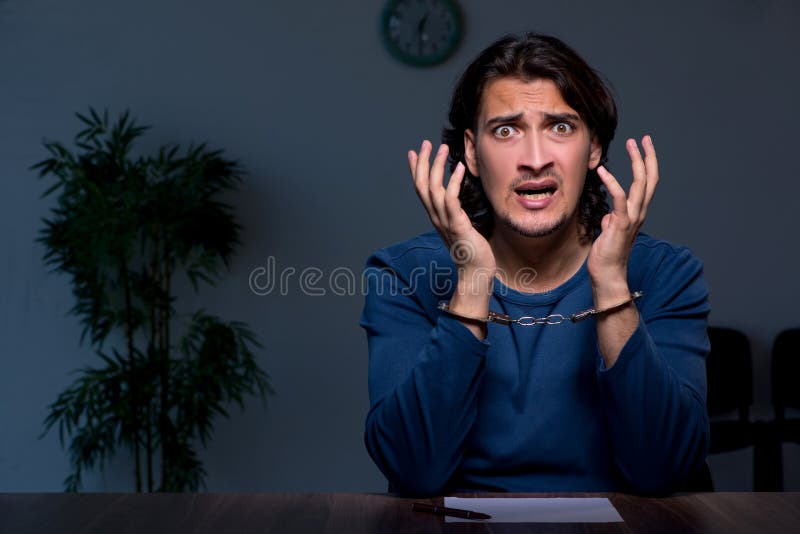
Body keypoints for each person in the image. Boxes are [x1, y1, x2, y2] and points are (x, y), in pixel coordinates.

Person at [360, 33, 710, 496]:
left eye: (560, 128)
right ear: (471, 152)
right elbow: (413, 471)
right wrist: (472, 278)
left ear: (593, 148)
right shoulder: (404, 274)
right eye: (506, 130)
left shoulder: (667, 273)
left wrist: (610, 285)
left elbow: (665, 469)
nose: (535, 159)